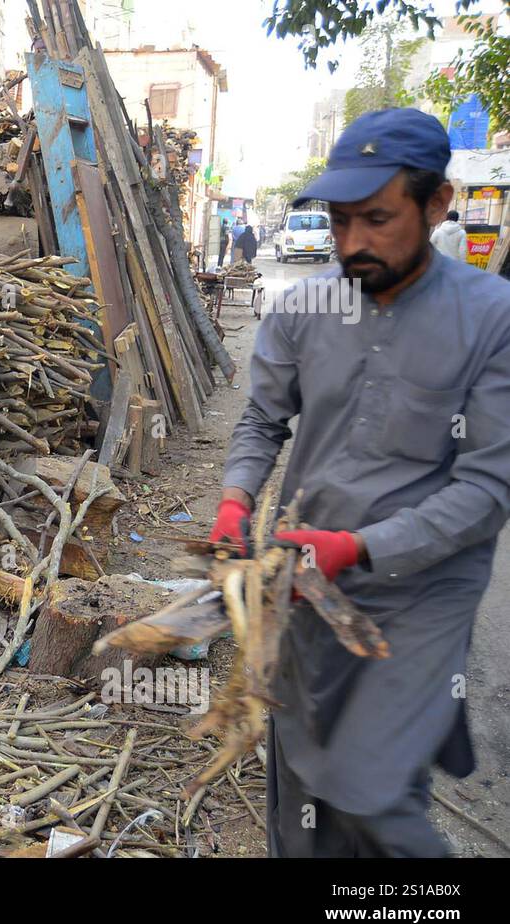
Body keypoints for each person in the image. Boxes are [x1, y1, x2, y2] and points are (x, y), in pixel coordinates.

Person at [209, 107, 510, 857]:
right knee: (299, 758)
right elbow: (261, 423)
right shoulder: (304, 308)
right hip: (305, 573)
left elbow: (487, 489)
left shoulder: (492, 317)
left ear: (437, 204)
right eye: (340, 221)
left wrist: (360, 546)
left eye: (376, 219)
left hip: (423, 586)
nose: (351, 244)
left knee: (370, 787)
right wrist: (235, 497)